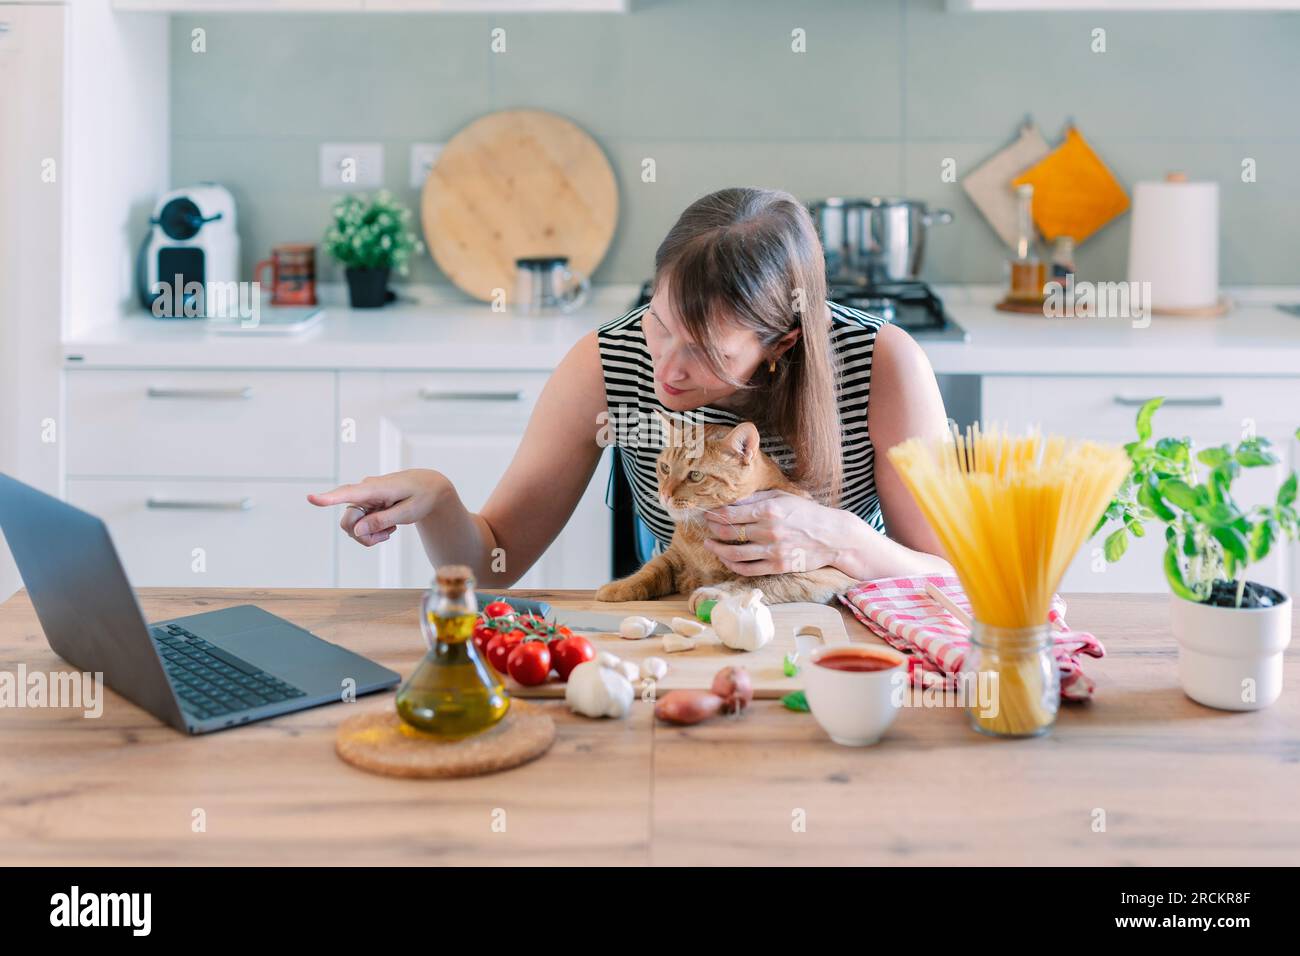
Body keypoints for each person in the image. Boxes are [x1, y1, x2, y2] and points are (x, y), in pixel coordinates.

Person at [309, 187, 953, 588]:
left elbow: (960, 580)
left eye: (707, 353)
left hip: (846, 654)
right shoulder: (606, 362)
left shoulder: (880, 364)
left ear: (781, 343)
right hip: (685, 642)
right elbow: (489, 568)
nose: (667, 370)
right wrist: (440, 499)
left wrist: (836, 537)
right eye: (660, 325)